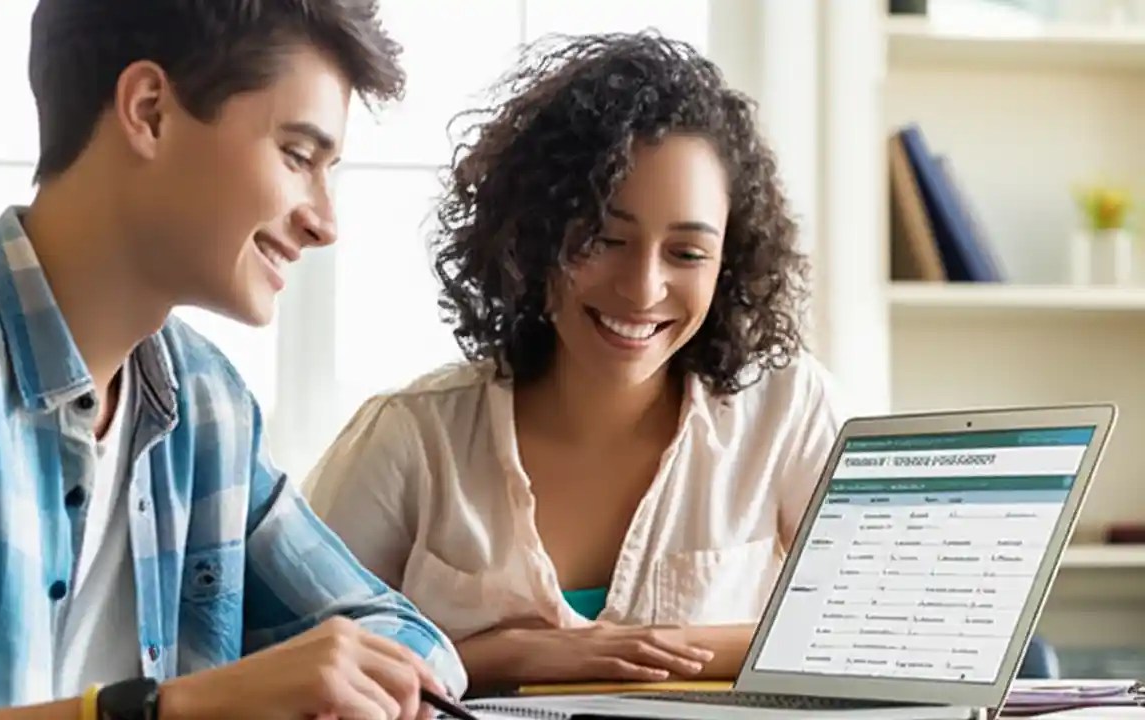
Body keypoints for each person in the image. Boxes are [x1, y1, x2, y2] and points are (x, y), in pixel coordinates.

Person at [0, 1, 467, 719]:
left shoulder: (208, 408)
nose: (324, 222)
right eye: (297, 156)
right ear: (150, 111)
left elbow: (408, 640)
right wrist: (171, 708)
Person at [305, 31, 848, 691]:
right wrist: (514, 656)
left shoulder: (786, 411)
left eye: (687, 253)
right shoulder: (414, 438)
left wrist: (664, 649)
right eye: (604, 239)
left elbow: (868, 635)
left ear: (727, 264)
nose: (643, 289)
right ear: (534, 236)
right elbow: (298, 661)